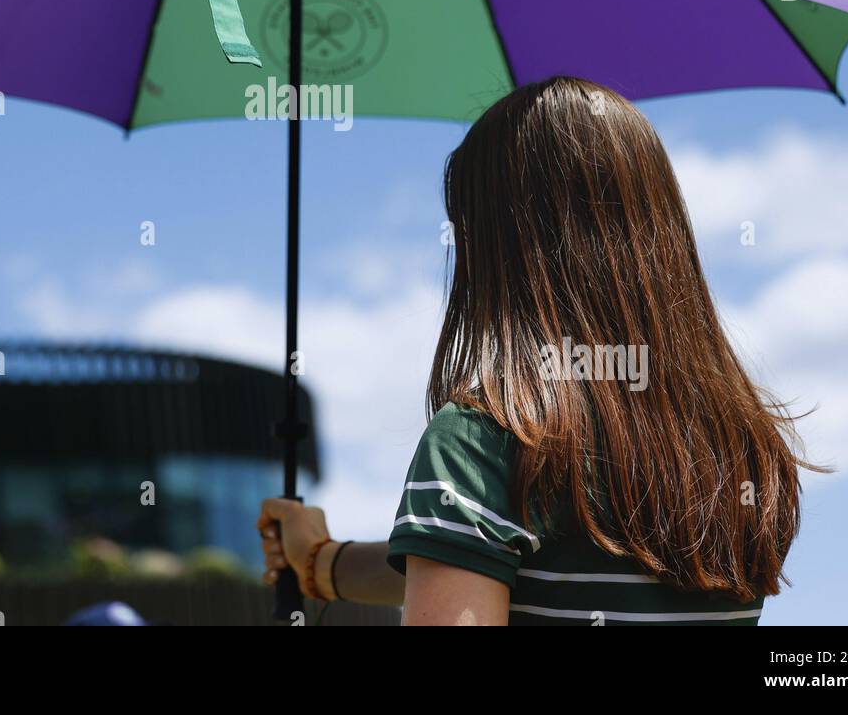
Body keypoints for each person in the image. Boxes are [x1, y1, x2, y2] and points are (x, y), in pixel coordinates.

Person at [258, 76, 815, 626]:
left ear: (493, 247)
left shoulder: (485, 441)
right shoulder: (741, 452)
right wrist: (320, 563)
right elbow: (501, 559)